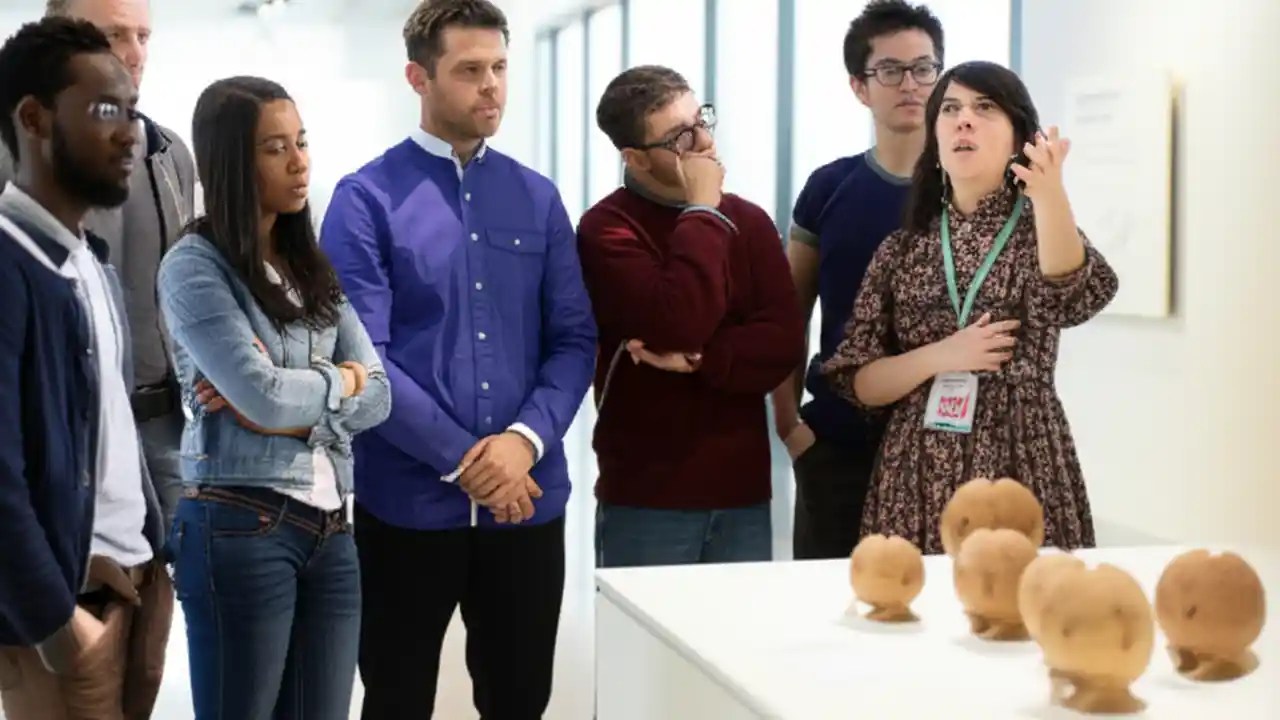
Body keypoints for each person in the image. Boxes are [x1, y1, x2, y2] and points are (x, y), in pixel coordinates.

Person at [319, 1, 596, 717]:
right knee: (397, 696)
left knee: (519, 699)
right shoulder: (364, 202)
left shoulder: (537, 199)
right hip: (407, 508)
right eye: (470, 70)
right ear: (419, 77)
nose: (492, 86)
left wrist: (521, 444)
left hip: (527, 506)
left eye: (500, 67)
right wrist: (471, 461)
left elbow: (573, 339)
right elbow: (365, 359)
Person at [157, 75, 391, 719]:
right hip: (239, 524)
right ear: (231, 160)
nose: (300, 162)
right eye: (274, 148)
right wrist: (337, 380)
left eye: (303, 142)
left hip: (332, 528)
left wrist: (310, 400)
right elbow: (263, 398)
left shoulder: (310, 265)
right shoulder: (195, 266)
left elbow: (380, 394)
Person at [821, 60, 1119, 554]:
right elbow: (861, 383)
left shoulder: (1037, 230)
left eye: (985, 108)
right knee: (913, 614)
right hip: (915, 466)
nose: (964, 121)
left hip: (1022, 456)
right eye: (951, 109)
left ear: (1019, 135)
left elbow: (1073, 296)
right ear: (935, 137)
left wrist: (1050, 198)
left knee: (1025, 612)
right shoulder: (902, 249)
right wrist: (942, 355)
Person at [0, 16, 171, 719]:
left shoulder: (88, 264)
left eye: (131, 111)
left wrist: (147, 555)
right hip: (64, 623)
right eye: (106, 111)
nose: (130, 132)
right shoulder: (10, 267)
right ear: (35, 118)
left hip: (129, 584)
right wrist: (54, 623)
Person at [578, 65, 804, 568]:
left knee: (737, 646)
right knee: (643, 648)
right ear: (634, 159)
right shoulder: (606, 229)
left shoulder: (750, 221)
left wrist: (702, 359)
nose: (703, 141)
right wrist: (702, 207)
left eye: (701, 119)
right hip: (647, 498)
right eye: (679, 137)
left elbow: (783, 343)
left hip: (742, 490)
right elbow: (679, 321)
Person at [0, 0, 197, 530]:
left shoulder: (168, 152)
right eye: (114, 36)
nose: (133, 55)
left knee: (163, 584)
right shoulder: (14, 154)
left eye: (143, 36)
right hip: (62, 430)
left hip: (168, 425)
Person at [772, 0, 945, 560]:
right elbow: (788, 313)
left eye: (924, 68)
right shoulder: (830, 187)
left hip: (946, 444)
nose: (910, 84)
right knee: (829, 617)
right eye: (889, 70)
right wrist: (790, 426)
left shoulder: (970, 190)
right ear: (860, 87)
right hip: (841, 445)